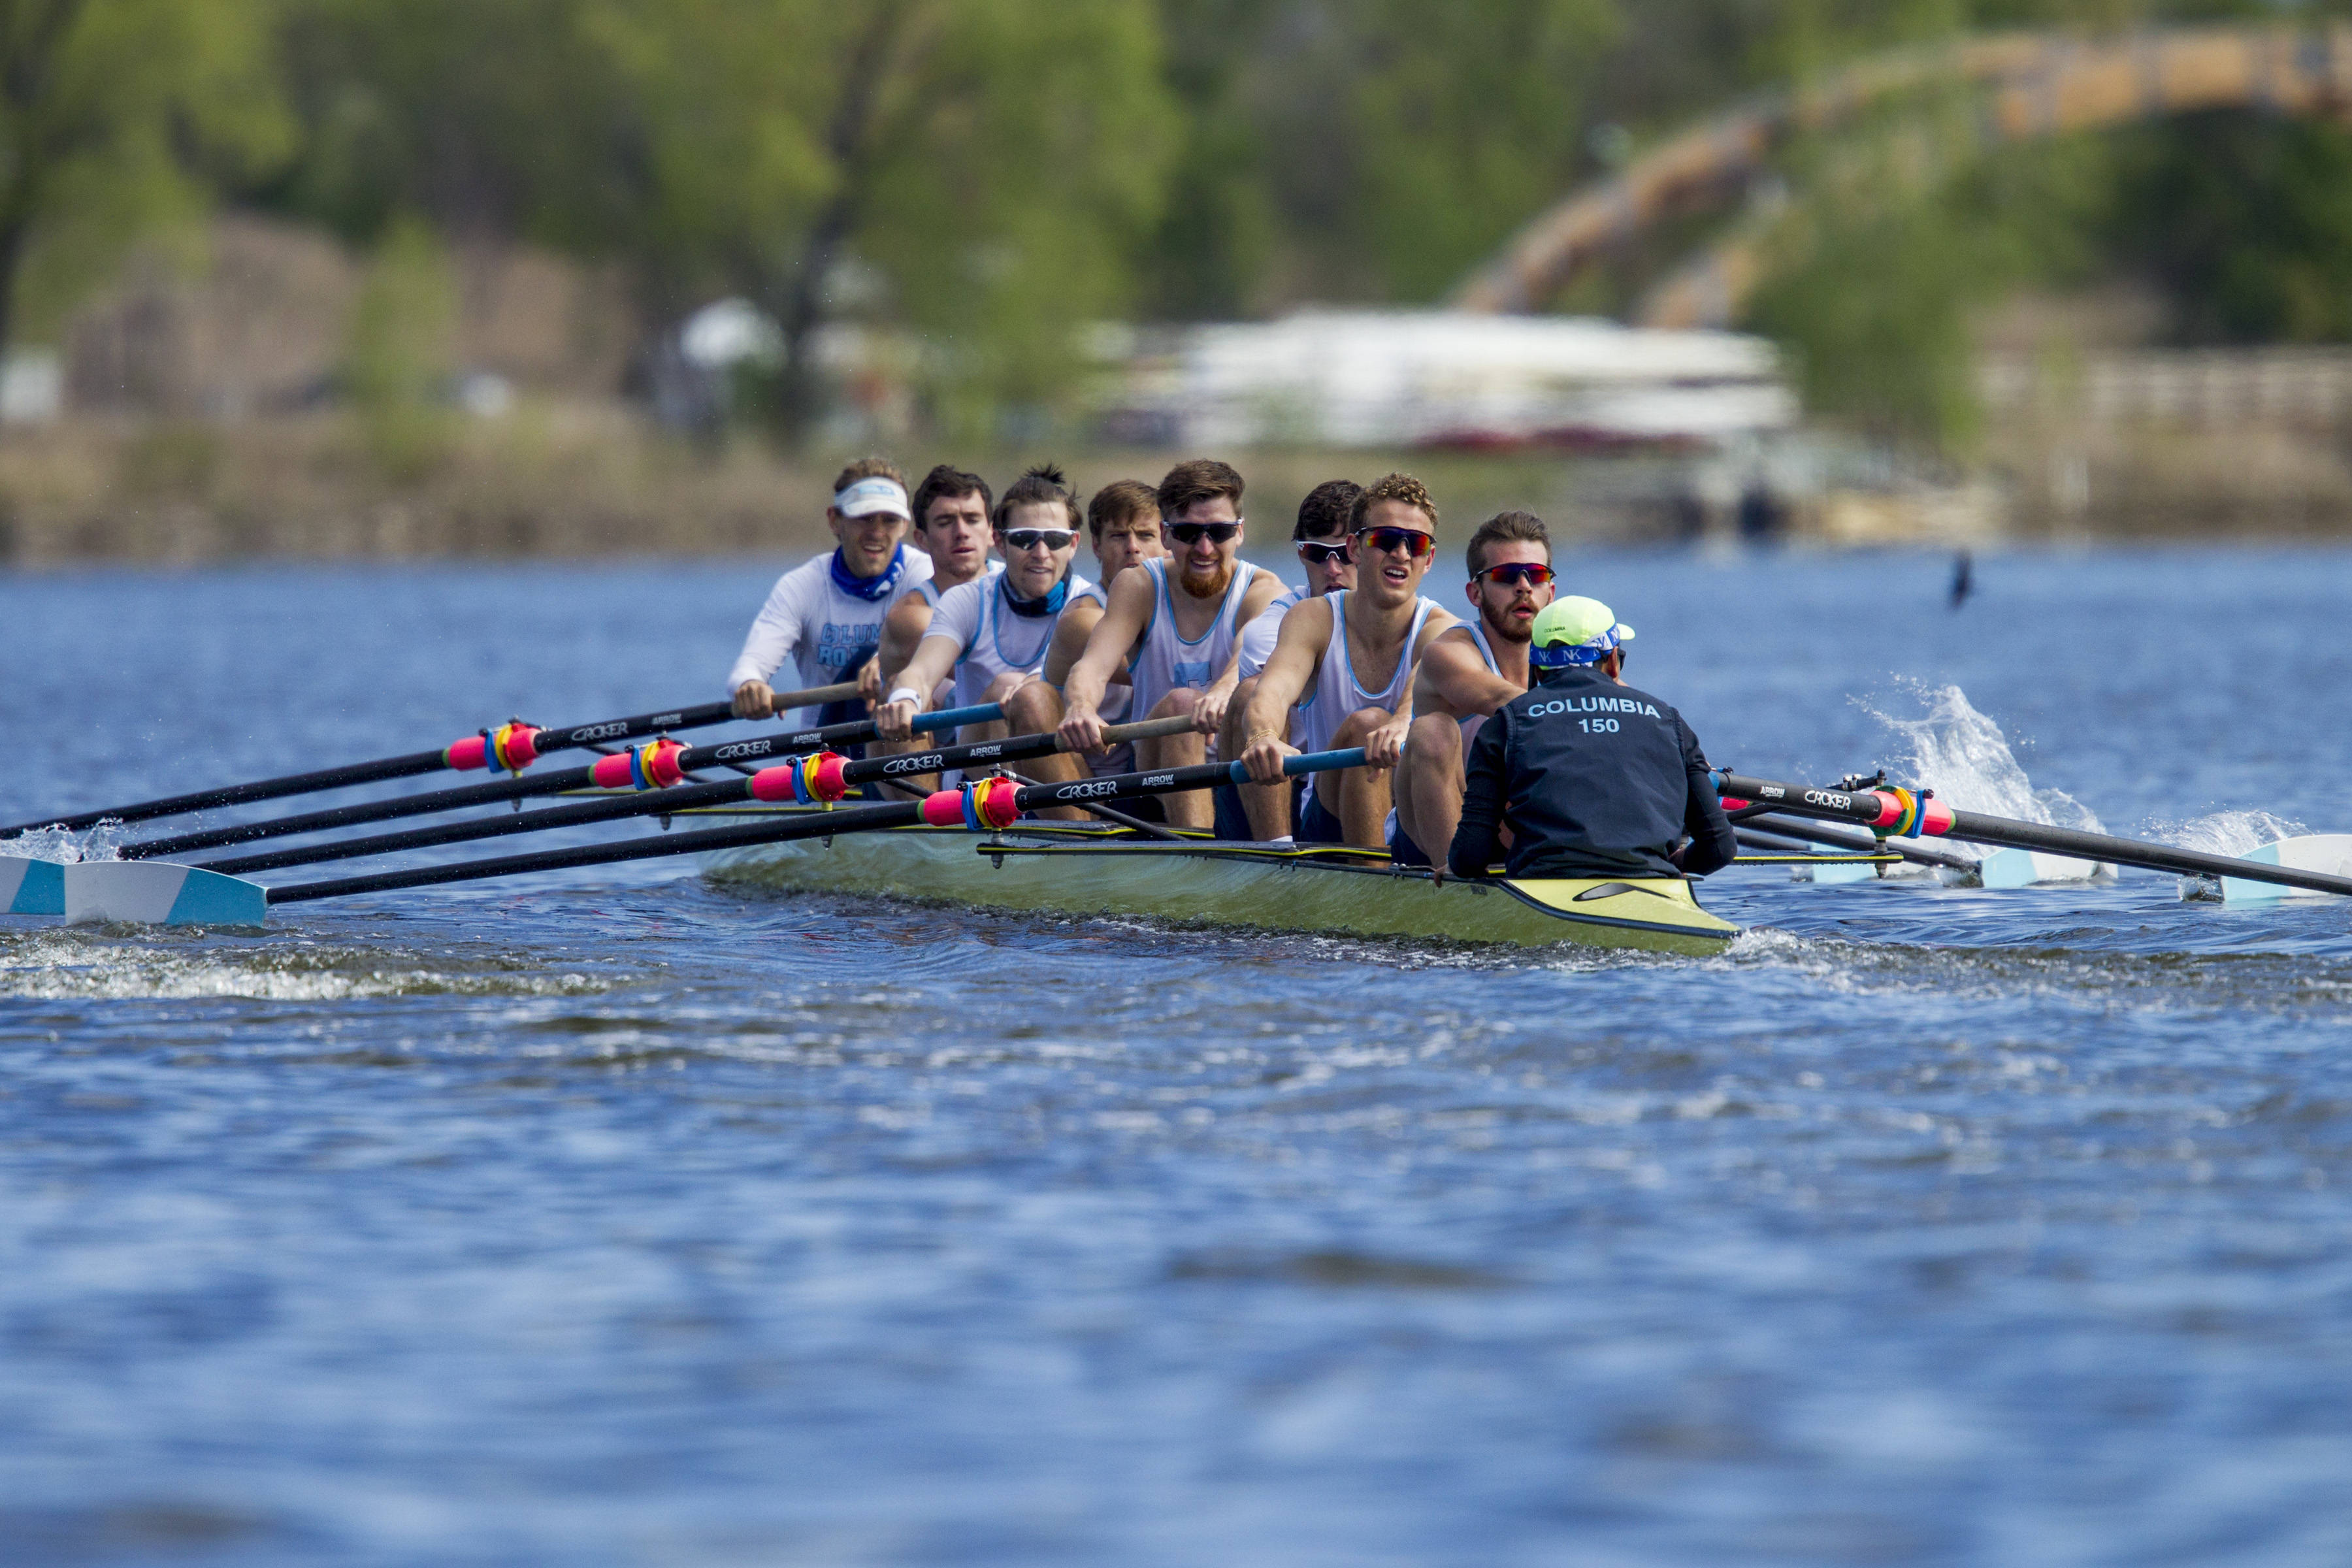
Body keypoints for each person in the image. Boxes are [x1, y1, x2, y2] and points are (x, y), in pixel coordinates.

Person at [1446, 595, 1735, 885]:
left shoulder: (1504, 725)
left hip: (1543, 886)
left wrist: (1458, 869)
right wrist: (1676, 862)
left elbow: (1470, 856)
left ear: (1537, 669)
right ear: (1612, 661)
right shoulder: (1669, 720)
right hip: (1653, 880)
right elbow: (1720, 849)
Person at [1058, 459, 1282, 828]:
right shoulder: (1138, 586)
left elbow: (1248, 651)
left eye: (1220, 532)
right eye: (1189, 533)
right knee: (1183, 703)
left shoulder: (1264, 591)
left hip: (1235, 769)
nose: (1205, 548)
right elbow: (1093, 667)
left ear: (1240, 533)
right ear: (1165, 536)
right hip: (1152, 775)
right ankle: (1197, 853)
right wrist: (1081, 707)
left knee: (1236, 692)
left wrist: (1225, 689)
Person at [1237, 473, 1458, 847]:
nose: (1402, 554)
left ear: (1429, 558)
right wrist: (1263, 737)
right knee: (1366, 725)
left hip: (1412, 816)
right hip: (1327, 815)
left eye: (1416, 544)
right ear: (1355, 548)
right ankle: (1367, 884)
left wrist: (1403, 723)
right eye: (1387, 540)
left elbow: (1413, 700)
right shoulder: (1312, 618)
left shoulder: (1442, 630)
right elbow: (1270, 694)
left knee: (1382, 724)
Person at [876, 465, 1091, 750]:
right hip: (978, 769)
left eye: (1054, 540)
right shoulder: (965, 600)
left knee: (1029, 697)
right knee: (1007, 688)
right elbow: (922, 673)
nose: (1041, 554)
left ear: (1073, 543)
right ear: (1000, 542)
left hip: (1061, 760)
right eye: (1025, 539)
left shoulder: (1089, 604)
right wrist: (905, 698)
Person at [1390, 510, 1558, 867]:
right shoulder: (1449, 653)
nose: (1525, 587)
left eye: (1537, 576)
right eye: (1506, 576)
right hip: (1430, 832)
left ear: (1551, 591)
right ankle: (1453, 879)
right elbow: (1500, 698)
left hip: (1514, 826)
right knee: (1433, 730)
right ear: (1475, 593)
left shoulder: (1568, 653)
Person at [725, 457, 931, 734]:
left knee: (891, 668)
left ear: (904, 527)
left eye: (890, 521)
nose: (878, 533)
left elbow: (942, 647)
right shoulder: (802, 586)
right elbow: (749, 667)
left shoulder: (922, 573)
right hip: (824, 750)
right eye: (865, 518)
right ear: (835, 521)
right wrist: (751, 685)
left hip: (896, 735)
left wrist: (888, 661)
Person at [1218, 479, 1362, 840]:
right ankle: (1277, 852)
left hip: (1348, 783)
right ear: (1300, 554)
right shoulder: (1273, 626)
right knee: (1252, 691)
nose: (1332, 569)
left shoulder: (1416, 623)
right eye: (1317, 553)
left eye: (1344, 553)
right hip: (1283, 785)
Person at [1013, 478, 1167, 815]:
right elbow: (1168, 672)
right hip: (1082, 778)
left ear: (1167, 541)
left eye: (1145, 535)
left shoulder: (1175, 607)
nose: (1133, 547)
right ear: (1095, 546)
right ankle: (1085, 839)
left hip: (1141, 770)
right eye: (1118, 536)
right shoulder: (1084, 617)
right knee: (1031, 698)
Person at [877, 465, 996, 695]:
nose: (961, 532)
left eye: (972, 519)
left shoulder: (1017, 581)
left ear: (992, 533)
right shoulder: (912, 615)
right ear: (922, 540)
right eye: (945, 522)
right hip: (937, 727)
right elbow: (984, 673)